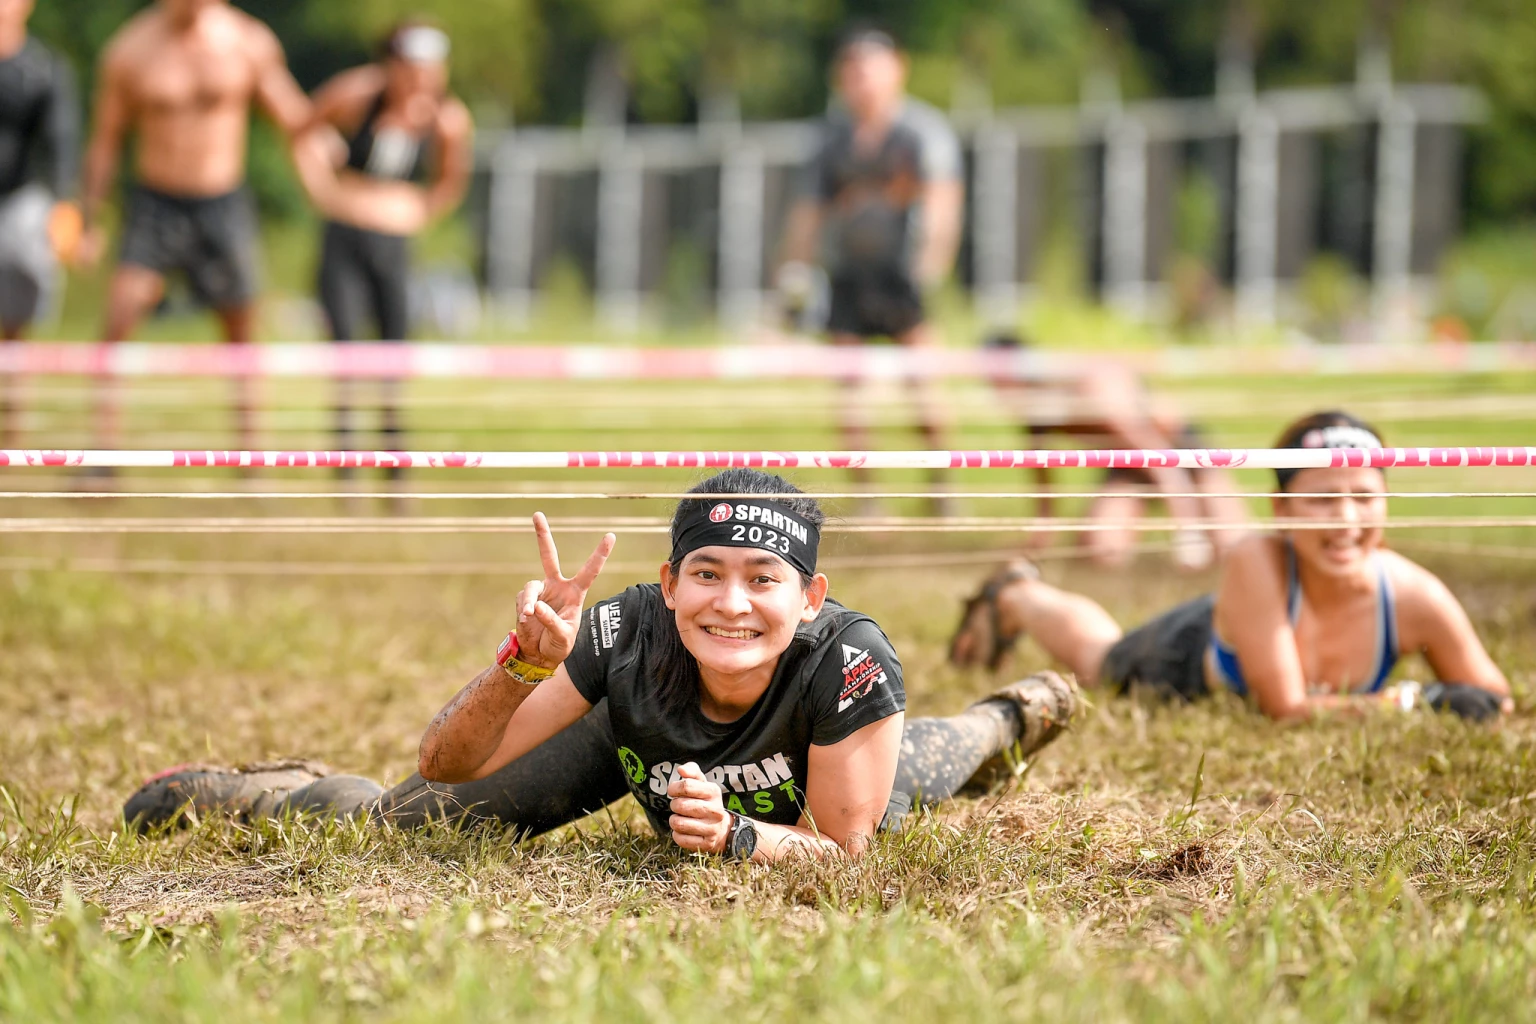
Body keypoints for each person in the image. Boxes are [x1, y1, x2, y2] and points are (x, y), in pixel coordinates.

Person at [124, 469, 1081, 862]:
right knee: (404, 823)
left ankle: (1012, 714)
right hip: (632, 741)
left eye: (763, 580)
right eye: (706, 573)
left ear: (812, 597)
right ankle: (280, 789)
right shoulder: (624, 630)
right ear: (669, 583)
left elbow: (840, 855)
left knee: (929, 767)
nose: (732, 603)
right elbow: (448, 762)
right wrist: (522, 670)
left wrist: (743, 838)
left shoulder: (850, 664)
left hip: (804, 781)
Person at [950, 411, 1512, 722]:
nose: (1345, 520)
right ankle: (1017, 596)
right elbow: (1287, 708)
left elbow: (1494, 695)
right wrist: (1415, 702)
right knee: (1101, 661)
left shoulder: (1415, 594)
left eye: (1364, 496)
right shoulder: (1257, 559)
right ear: (1282, 510)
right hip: (1187, 657)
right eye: (1322, 499)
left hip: (1247, 631)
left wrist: (1470, 701)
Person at [78, 0, 311, 451]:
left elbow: (292, 116)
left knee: (242, 328)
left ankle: (252, 454)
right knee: (119, 317)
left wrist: (328, 174)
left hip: (223, 200)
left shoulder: (248, 40)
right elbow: (104, 142)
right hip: (156, 202)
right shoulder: (130, 50)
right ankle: (102, 452)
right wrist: (90, 219)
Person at [778, 27, 963, 512]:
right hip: (847, 277)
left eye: (871, 67)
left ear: (897, 69)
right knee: (852, 393)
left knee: (925, 387)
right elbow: (808, 211)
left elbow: (943, 198)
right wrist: (794, 275)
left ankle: (942, 488)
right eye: (852, 70)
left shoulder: (921, 131)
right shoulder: (832, 139)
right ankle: (869, 501)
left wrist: (931, 263)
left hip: (902, 278)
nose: (861, 79)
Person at [289, 21, 472, 474]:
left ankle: (394, 462)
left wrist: (419, 211)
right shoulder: (355, 94)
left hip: (395, 241)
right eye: (412, 68)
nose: (422, 79)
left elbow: (451, 181)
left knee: (395, 352)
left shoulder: (447, 118)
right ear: (392, 66)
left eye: (430, 69)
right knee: (346, 347)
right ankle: (346, 462)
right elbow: (303, 131)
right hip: (345, 234)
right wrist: (322, 188)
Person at [980, 331, 1248, 570]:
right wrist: (1040, 539)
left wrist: (1188, 530)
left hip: (1185, 454)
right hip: (1128, 467)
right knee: (1100, 550)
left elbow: (1157, 454)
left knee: (1236, 548)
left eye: (998, 381)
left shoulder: (1093, 390)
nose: (996, 391)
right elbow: (1041, 472)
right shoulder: (1033, 409)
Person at [0, 0, 79, 442]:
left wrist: (66, 208)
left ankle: (13, 416)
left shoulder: (43, 68)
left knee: (19, 309)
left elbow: (61, 143)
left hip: (20, 199)